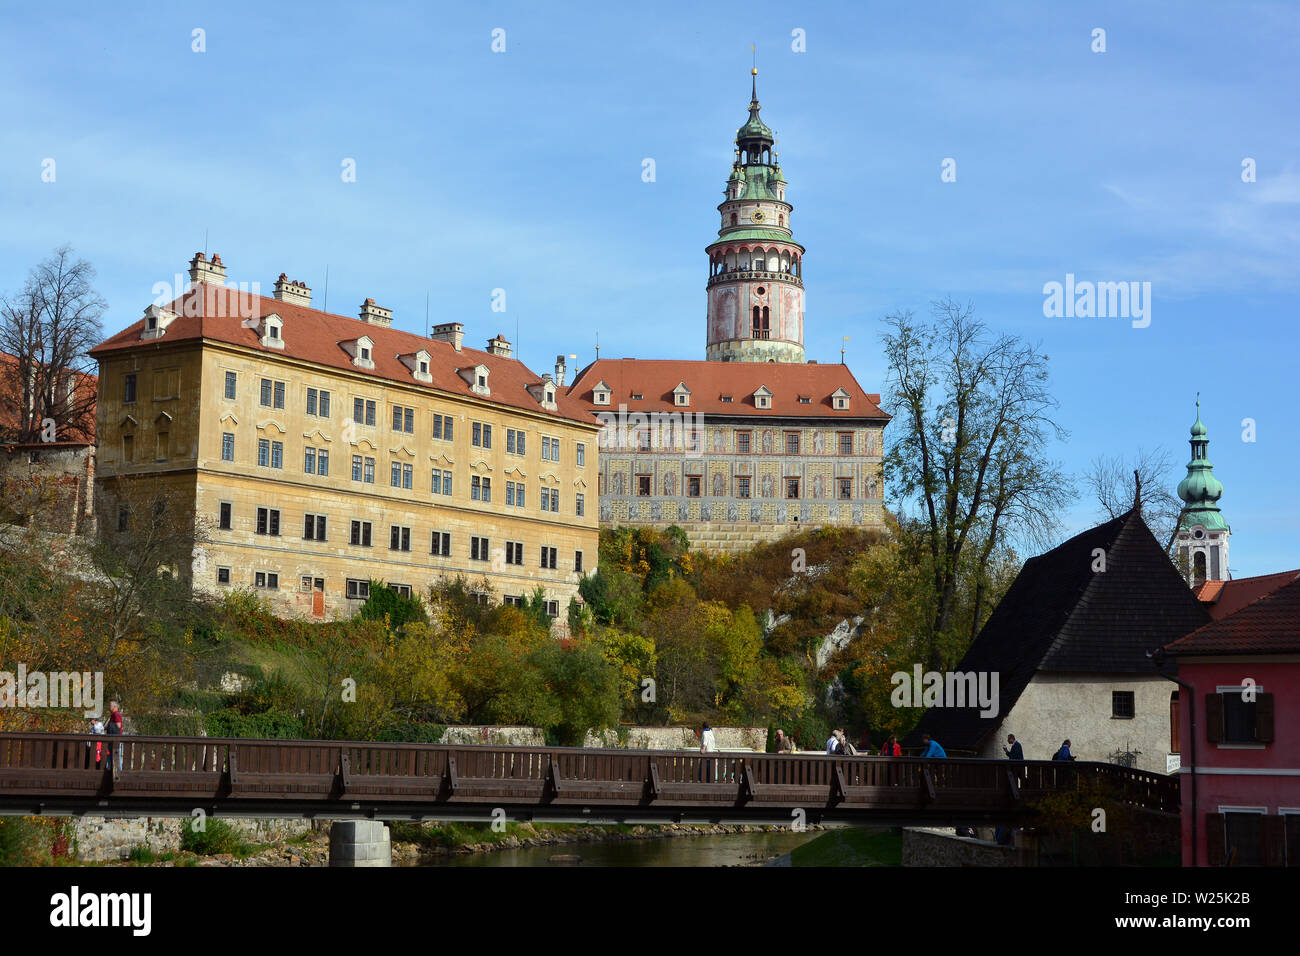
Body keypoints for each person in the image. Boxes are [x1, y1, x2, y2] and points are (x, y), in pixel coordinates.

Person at [105, 700, 124, 769]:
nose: (109, 707)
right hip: (112, 739)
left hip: (116, 739)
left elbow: (118, 725)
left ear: (114, 707)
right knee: (110, 755)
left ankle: (119, 771)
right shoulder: (113, 714)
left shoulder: (116, 714)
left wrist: (109, 725)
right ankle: (108, 769)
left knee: (116, 756)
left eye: (110, 706)